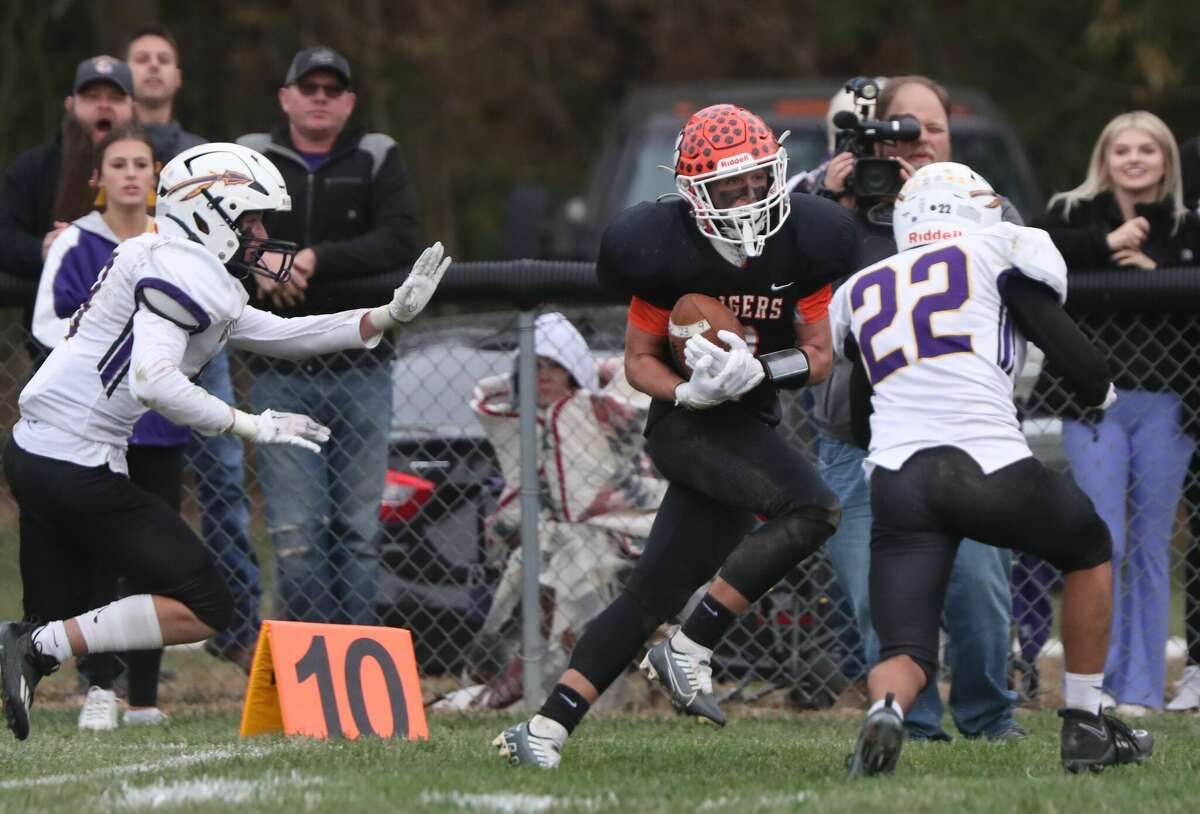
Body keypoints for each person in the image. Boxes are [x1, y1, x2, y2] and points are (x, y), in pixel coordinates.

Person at [0, 141, 451, 743]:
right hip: (70, 458)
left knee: (55, 611)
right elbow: (154, 380)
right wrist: (253, 425)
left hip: (48, 450)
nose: (263, 233)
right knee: (204, 603)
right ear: (210, 213)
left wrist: (384, 316)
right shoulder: (180, 270)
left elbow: (285, 332)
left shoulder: (176, 259)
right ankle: (34, 646)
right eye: (253, 219)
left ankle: (33, 644)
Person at [493, 103, 859, 769]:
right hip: (689, 428)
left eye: (758, 181)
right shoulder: (662, 248)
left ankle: (543, 731)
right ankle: (690, 645)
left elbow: (820, 355)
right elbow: (638, 360)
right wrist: (688, 389)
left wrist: (761, 369)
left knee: (650, 592)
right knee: (813, 506)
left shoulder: (808, 237)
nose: (749, 199)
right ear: (694, 193)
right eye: (730, 187)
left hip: (750, 423)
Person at [831, 161, 1152, 776]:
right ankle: (1086, 724)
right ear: (977, 209)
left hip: (898, 475)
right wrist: (1101, 392)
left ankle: (889, 708)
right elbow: (1072, 355)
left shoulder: (867, 285)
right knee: (1090, 548)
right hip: (984, 460)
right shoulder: (999, 250)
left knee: (906, 644)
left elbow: (859, 408)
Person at [810, 75, 1021, 740]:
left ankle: (989, 717)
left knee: (978, 593)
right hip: (858, 442)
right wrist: (829, 203)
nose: (921, 140)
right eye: (904, 126)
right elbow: (784, 284)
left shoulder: (986, 208)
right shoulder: (837, 210)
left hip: (967, 440)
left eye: (933, 127)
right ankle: (910, 723)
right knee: (882, 600)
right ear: (873, 135)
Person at [236, 46, 422, 625]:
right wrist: (268, 266)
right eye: (307, 87)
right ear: (285, 97)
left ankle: (356, 666)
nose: (319, 98)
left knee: (356, 533)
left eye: (331, 89)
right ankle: (302, 679)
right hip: (279, 375)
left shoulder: (376, 155)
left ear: (349, 102)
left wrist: (313, 260)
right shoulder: (250, 155)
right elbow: (215, 230)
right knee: (295, 535)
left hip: (362, 369)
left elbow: (400, 239)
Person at [1030, 111, 1200, 715]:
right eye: (1122, 149)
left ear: (1165, 161)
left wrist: (1164, 278)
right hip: (1092, 401)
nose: (1134, 159)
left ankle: (1142, 690)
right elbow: (1034, 258)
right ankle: (1091, 685)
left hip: (1168, 404)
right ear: (1105, 158)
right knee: (1106, 538)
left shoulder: (1185, 225)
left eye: (1147, 150)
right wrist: (1108, 247)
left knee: (1152, 545)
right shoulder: (1070, 215)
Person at [33, 125, 181, 730]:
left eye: (140, 164)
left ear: (156, 175)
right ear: (97, 179)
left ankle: (144, 697)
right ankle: (100, 688)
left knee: (157, 560)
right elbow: (47, 323)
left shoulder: (174, 245)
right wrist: (110, 357)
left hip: (160, 428)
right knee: (100, 556)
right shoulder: (76, 245)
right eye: (116, 164)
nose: (129, 173)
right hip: (94, 432)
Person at [126, 23, 260, 671]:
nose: (152, 69)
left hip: (199, 342)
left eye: (163, 60)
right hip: (130, 345)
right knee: (127, 495)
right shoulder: (105, 154)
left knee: (224, 484)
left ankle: (240, 628)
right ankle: (118, 652)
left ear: (178, 78)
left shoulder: (206, 160)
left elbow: (238, 238)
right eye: (141, 60)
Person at [457, 312, 662, 710]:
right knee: (555, 552)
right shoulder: (515, 421)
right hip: (542, 539)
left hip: (619, 536)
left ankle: (567, 683)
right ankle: (526, 674)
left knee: (575, 554)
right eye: (534, 366)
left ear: (575, 372)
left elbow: (628, 488)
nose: (545, 375)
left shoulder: (605, 414)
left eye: (555, 365)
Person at [0, 56, 135, 347]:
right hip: (55, 342)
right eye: (91, 97)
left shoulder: (156, 168)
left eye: (115, 97)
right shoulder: (32, 168)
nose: (104, 105)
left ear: (132, 109)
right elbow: (4, 234)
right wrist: (45, 248)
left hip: (140, 336)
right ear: (71, 105)